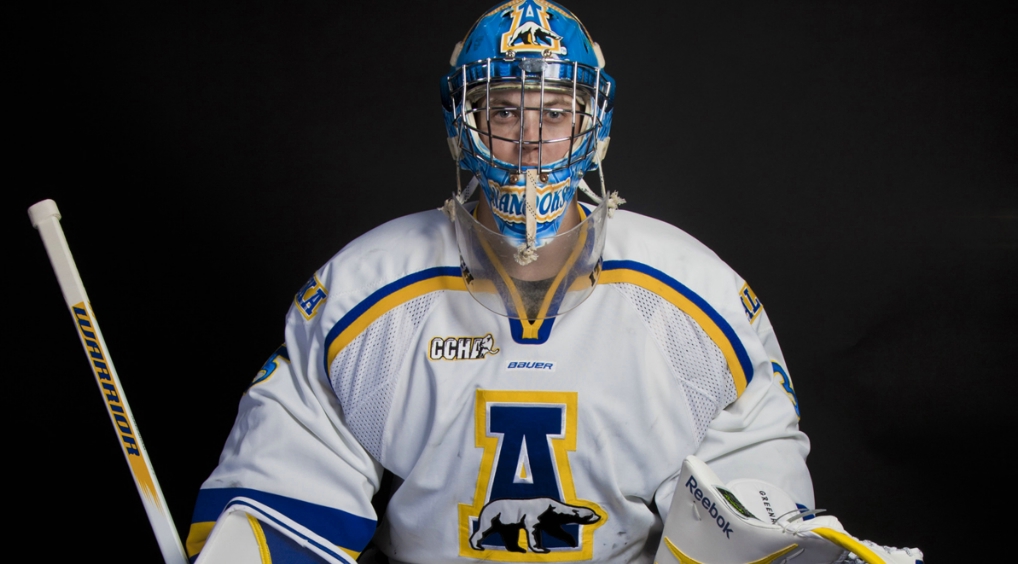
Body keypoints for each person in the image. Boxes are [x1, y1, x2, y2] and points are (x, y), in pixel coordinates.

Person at [186, 2, 923, 563]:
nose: (532, 139)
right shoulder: (361, 289)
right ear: (464, 121)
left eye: (555, 111)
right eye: (504, 109)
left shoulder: (694, 294)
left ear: (591, 123)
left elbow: (745, 503)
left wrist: (772, 539)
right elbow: (288, 486)